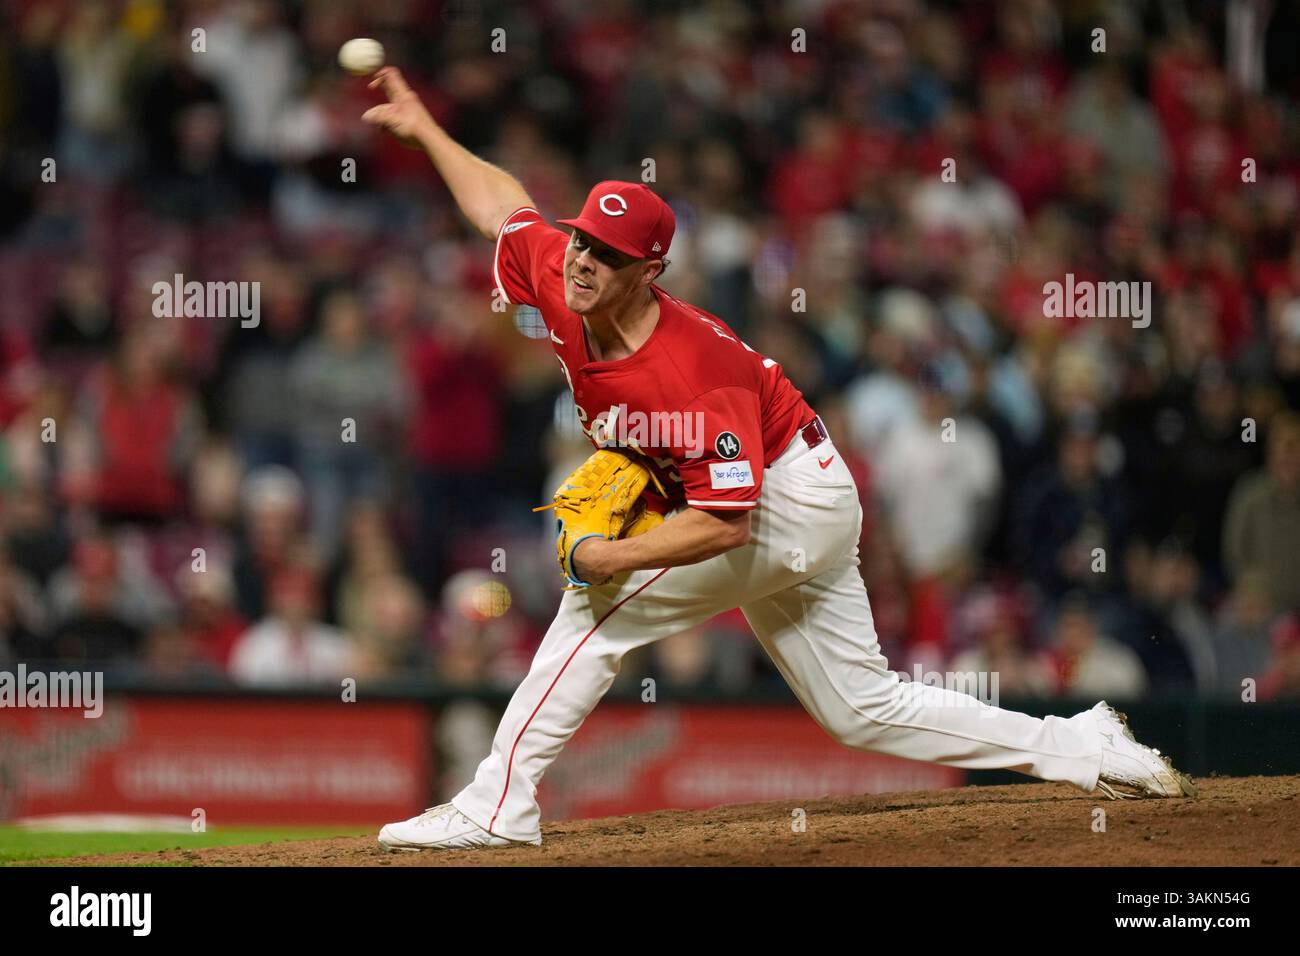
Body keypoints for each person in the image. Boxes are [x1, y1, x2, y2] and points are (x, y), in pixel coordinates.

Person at [361, 67, 1195, 851]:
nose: (583, 259)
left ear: (649, 270)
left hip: (786, 499)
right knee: (859, 707)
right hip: (795, 482)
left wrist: (610, 555)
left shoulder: (686, 371)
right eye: (583, 239)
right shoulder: (562, 270)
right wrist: (427, 127)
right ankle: (1081, 745)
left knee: (595, 609)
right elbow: (503, 209)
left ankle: (499, 805)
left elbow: (727, 521)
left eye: (608, 254)